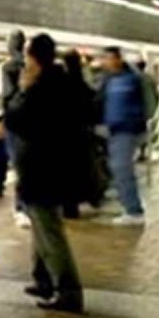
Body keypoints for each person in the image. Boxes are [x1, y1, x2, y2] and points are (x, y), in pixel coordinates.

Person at [5, 34, 85, 314]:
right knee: (43, 227)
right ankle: (43, 280)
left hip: (41, 170)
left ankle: (69, 291)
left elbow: (14, 120)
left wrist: (23, 90)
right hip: (56, 167)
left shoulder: (39, 89)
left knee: (49, 231)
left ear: (35, 59)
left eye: (27, 56)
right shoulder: (64, 82)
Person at [100, 47, 147, 226]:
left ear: (118, 59)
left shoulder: (132, 79)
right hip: (113, 130)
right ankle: (129, 206)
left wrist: (139, 127)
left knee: (122, 168)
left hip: (127, 130)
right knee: (119, 168)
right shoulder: (109, 81)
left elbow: (142, 104)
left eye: (109, 59)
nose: (106, 63)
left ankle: (133, 210)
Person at [62, 51, 104, 219]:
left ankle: (68, 207)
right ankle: (85, 200)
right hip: (81, 135)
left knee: (65, 172)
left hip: (62, 136)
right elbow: (94, 111)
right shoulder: (84, 87)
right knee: (80, 170)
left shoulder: (60, 85)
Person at [0, 30, 31, 228]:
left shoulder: (7, 67)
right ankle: (27, 206)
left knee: (19, 166)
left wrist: (2, 120)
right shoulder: (29, 65)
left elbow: (7, 96)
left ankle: (21, 208)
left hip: (14, 121)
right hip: (31, 121)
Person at [134, 58, 159, 162]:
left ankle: (139, 151)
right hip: (148, 107)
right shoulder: (150, 78)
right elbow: (155, 93)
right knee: (145, 130)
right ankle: (142, 152)